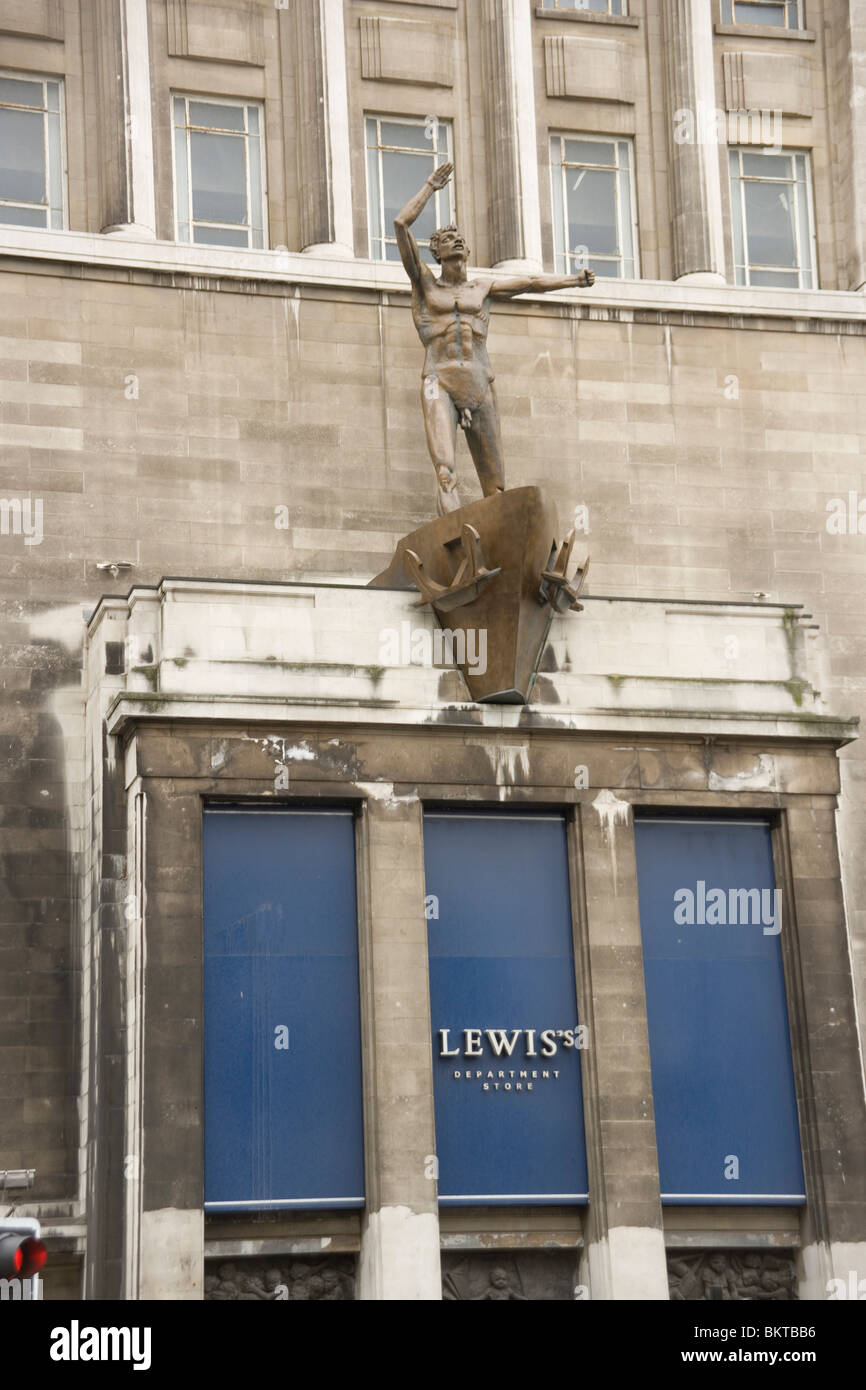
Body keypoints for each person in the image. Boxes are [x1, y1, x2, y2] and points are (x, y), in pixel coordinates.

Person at [394, 162, 595, 514]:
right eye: (445, 239)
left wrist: (574, 280)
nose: (455, 240)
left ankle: (505, 555)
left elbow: (531, 283)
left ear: (467, 252)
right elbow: (400, 224)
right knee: (445, 471)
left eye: (460, 239)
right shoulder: (425, 284)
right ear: (436, 252)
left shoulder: (483, 288)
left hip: (479, 381)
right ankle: (455, 543)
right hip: (438, 380)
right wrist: (430, 186)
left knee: (496, 487)